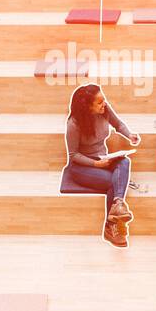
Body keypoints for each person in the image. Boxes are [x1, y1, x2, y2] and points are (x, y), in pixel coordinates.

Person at [60, 83, 141, 247]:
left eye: (103, 100)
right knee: (113, 181)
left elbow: (118, 125)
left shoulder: (104, 110)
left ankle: (118, 204)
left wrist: (129, 135)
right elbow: (73, 155)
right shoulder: (74, 124)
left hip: (103, 158)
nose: (104, 103)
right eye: (99, 102)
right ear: (87, 107)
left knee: (124, 161)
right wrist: (96, 164)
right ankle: (111, 228)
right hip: (81, 166)